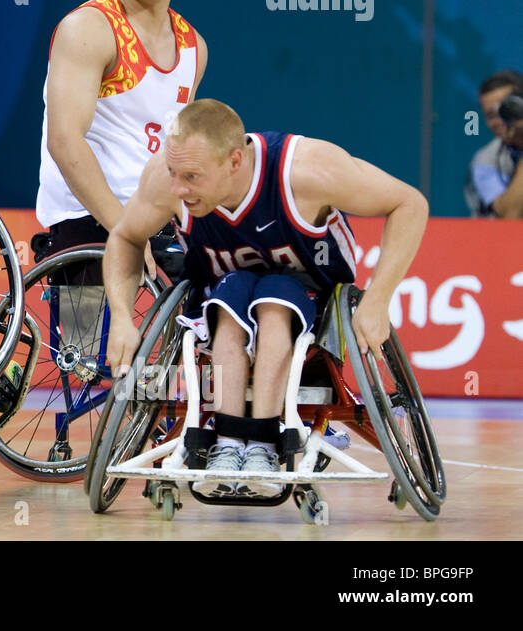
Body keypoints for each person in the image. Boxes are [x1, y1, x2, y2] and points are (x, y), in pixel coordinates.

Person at [103, 99, 428, 497]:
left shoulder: (307, 170)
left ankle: (260, 442)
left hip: (310, 291)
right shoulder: (167, 183)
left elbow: (409, 203)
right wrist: (121, 316)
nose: (177, 189)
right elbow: (124, 236)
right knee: (230, 304)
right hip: (223, 294)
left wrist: (378, 299)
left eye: (191, 176)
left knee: (274, 301)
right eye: (173, 173)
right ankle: (228, 440)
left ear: (235, 161)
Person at [37, 0, 209, 278]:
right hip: (86, 218)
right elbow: (64, 141)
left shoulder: (194, 48)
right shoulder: (88, 29)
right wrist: (125, 231)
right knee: (82, 343)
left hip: (158, 222)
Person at [465, 69, 523, 219]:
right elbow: (510, 216)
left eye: (508, 108)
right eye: (491, 115)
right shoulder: (485, 160)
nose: (502, 119)